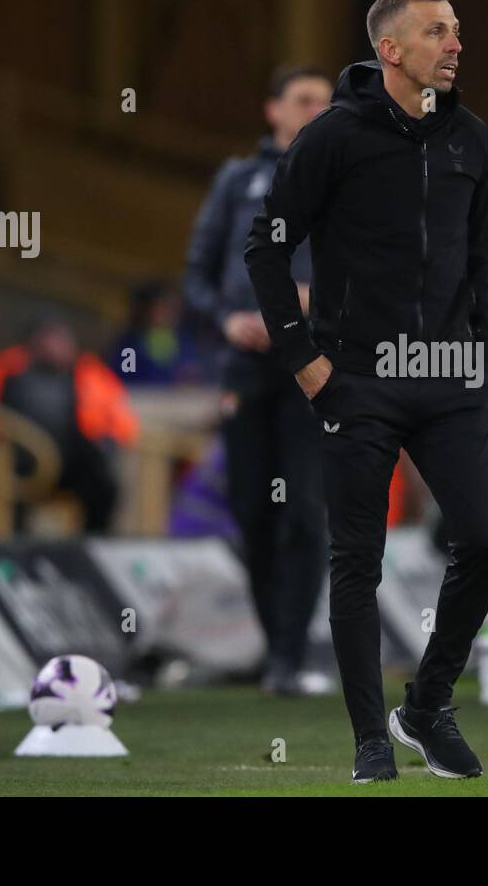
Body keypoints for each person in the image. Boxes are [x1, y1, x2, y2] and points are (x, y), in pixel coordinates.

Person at [246, 0, 488, 782]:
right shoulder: (333, 137)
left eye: (457, 28)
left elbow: (482, 259)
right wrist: (307, 363)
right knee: (358, 560)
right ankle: (369, 740)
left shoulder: (473, 140)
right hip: (355, 377)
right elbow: (266, 247)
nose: (455, 43)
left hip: (450, 378)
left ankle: (425, 706)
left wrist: (481, 356)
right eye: (436, 31)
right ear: (391, 50)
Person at [184, 64, 334, 696]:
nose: (316, 111)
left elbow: (377, 269)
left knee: (304, 508)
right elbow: (195, 277)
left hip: (314, 366)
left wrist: (315, 299)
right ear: (271, 109)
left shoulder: (345, 181)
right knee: (252, 507)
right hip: (246, 367)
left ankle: (289, 656)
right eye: (303, 100)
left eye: (326, 103)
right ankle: (279, 647)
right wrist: (228, 319)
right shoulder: (236, 180)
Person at [0, 317, 137, 534]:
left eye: (63, 341)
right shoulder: (3, 369)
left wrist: (107, 443)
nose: (58, 348)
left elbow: (118, 419)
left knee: (104, 483)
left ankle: (95, 539)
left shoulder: (87, 372)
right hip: (10, 460)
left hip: (68, 463)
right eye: (51, 340)